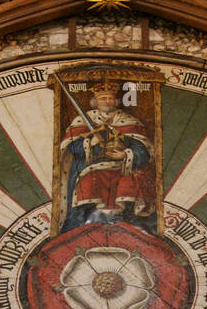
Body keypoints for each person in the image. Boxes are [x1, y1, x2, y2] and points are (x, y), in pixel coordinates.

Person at [60, 81, 156, 233]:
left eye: (110, 98)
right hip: (90, 167)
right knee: (90, 181)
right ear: (95, 102)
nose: (107, 101)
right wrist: (90, 142)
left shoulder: (128, 120)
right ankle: (85, 227)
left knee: (133, 181)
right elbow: (71, 147)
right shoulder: (83, 120)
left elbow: (142, 150)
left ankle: (128, 226)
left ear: (116, 101)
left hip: (124, 167)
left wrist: (125, 154)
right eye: (103, 98)